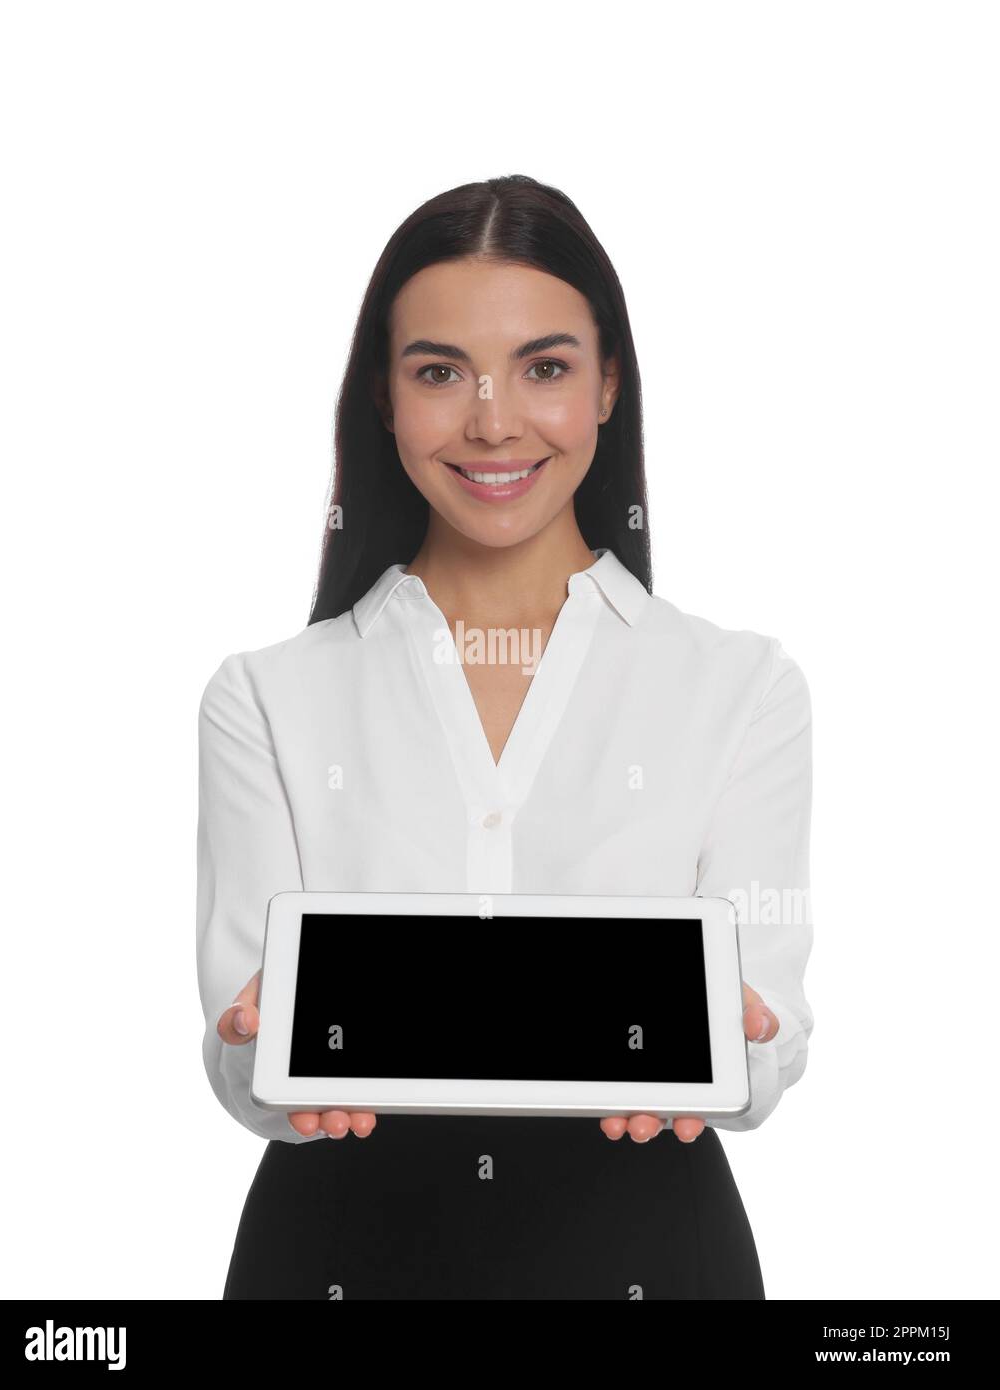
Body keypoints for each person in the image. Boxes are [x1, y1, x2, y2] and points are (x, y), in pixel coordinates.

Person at [196, 174, 815, 1300]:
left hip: (646, 1252)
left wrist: (739, 1043)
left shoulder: (738, 687)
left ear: (607, 384)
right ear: (382, 398)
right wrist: (256, 1050)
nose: (492, 420)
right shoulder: (267, 696)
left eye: (544, 367)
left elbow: (763, 1038)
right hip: (337, 1253)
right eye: (438, 372)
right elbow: (246, 1057)